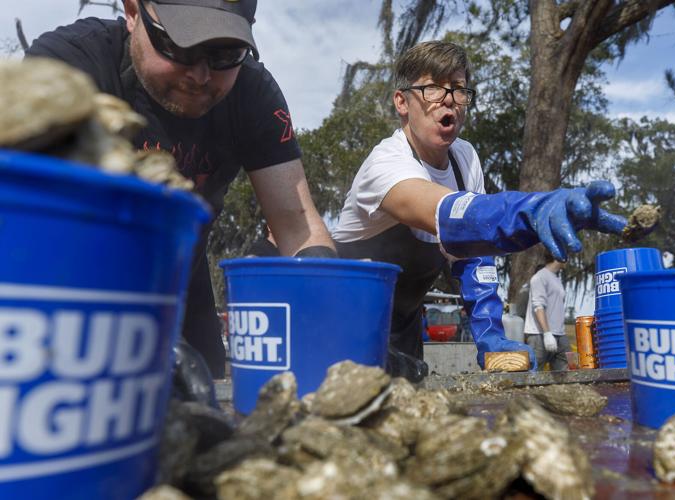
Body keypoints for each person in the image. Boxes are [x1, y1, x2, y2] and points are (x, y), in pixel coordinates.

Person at [26, 0, 335, 378]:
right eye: (178, 46)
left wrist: (336, 313)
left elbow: (297, 224)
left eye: (225, 53)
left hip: (184, 284)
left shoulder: (252, 93)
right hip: (74, 286)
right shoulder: (70, 65)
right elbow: (40, 222)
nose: (200, 75)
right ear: (134, 12)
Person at [332, 40, 628, 377]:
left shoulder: (464, 157)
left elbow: (471, 252)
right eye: (432, 88)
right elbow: (444, 214)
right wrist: (528, 209)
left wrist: (490, 333)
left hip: (404, 325)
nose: (448, 100)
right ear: (402, 101)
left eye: (458, 90)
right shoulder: (386, 163)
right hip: (345, 323)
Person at [523, 249, 570, 370]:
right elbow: (538, 307)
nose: (568, 258)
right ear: (559, 255)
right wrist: (547, 334)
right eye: (566, 254)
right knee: (534, 377)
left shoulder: (556, 279)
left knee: (565, 378)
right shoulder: (539, 278)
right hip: (539, 335)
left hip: (559, 335)